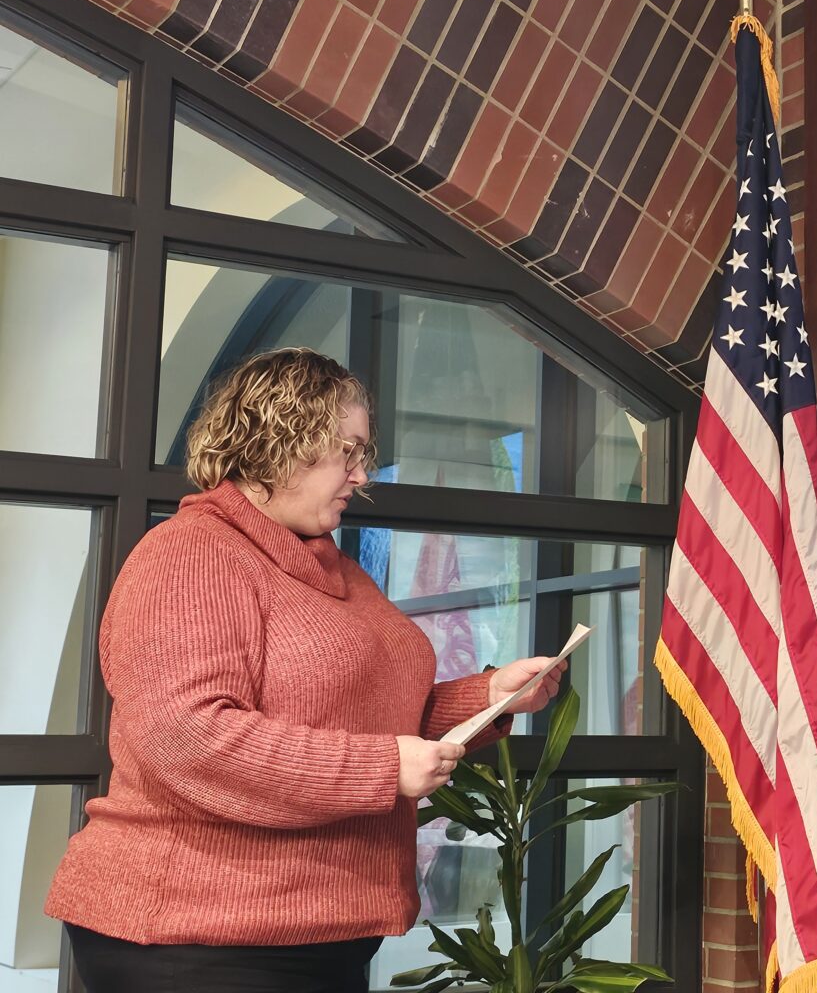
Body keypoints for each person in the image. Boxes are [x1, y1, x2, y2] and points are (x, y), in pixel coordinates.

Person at [46, 348, 566, 993]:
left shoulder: (332, 567)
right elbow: (188, 739)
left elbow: (366, 714)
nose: (361, 474)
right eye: (347, 451)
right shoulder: (189, 554)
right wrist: (380, 769)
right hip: (196, 933)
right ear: (280, 442)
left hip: (319, 927)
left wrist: (488, 697)